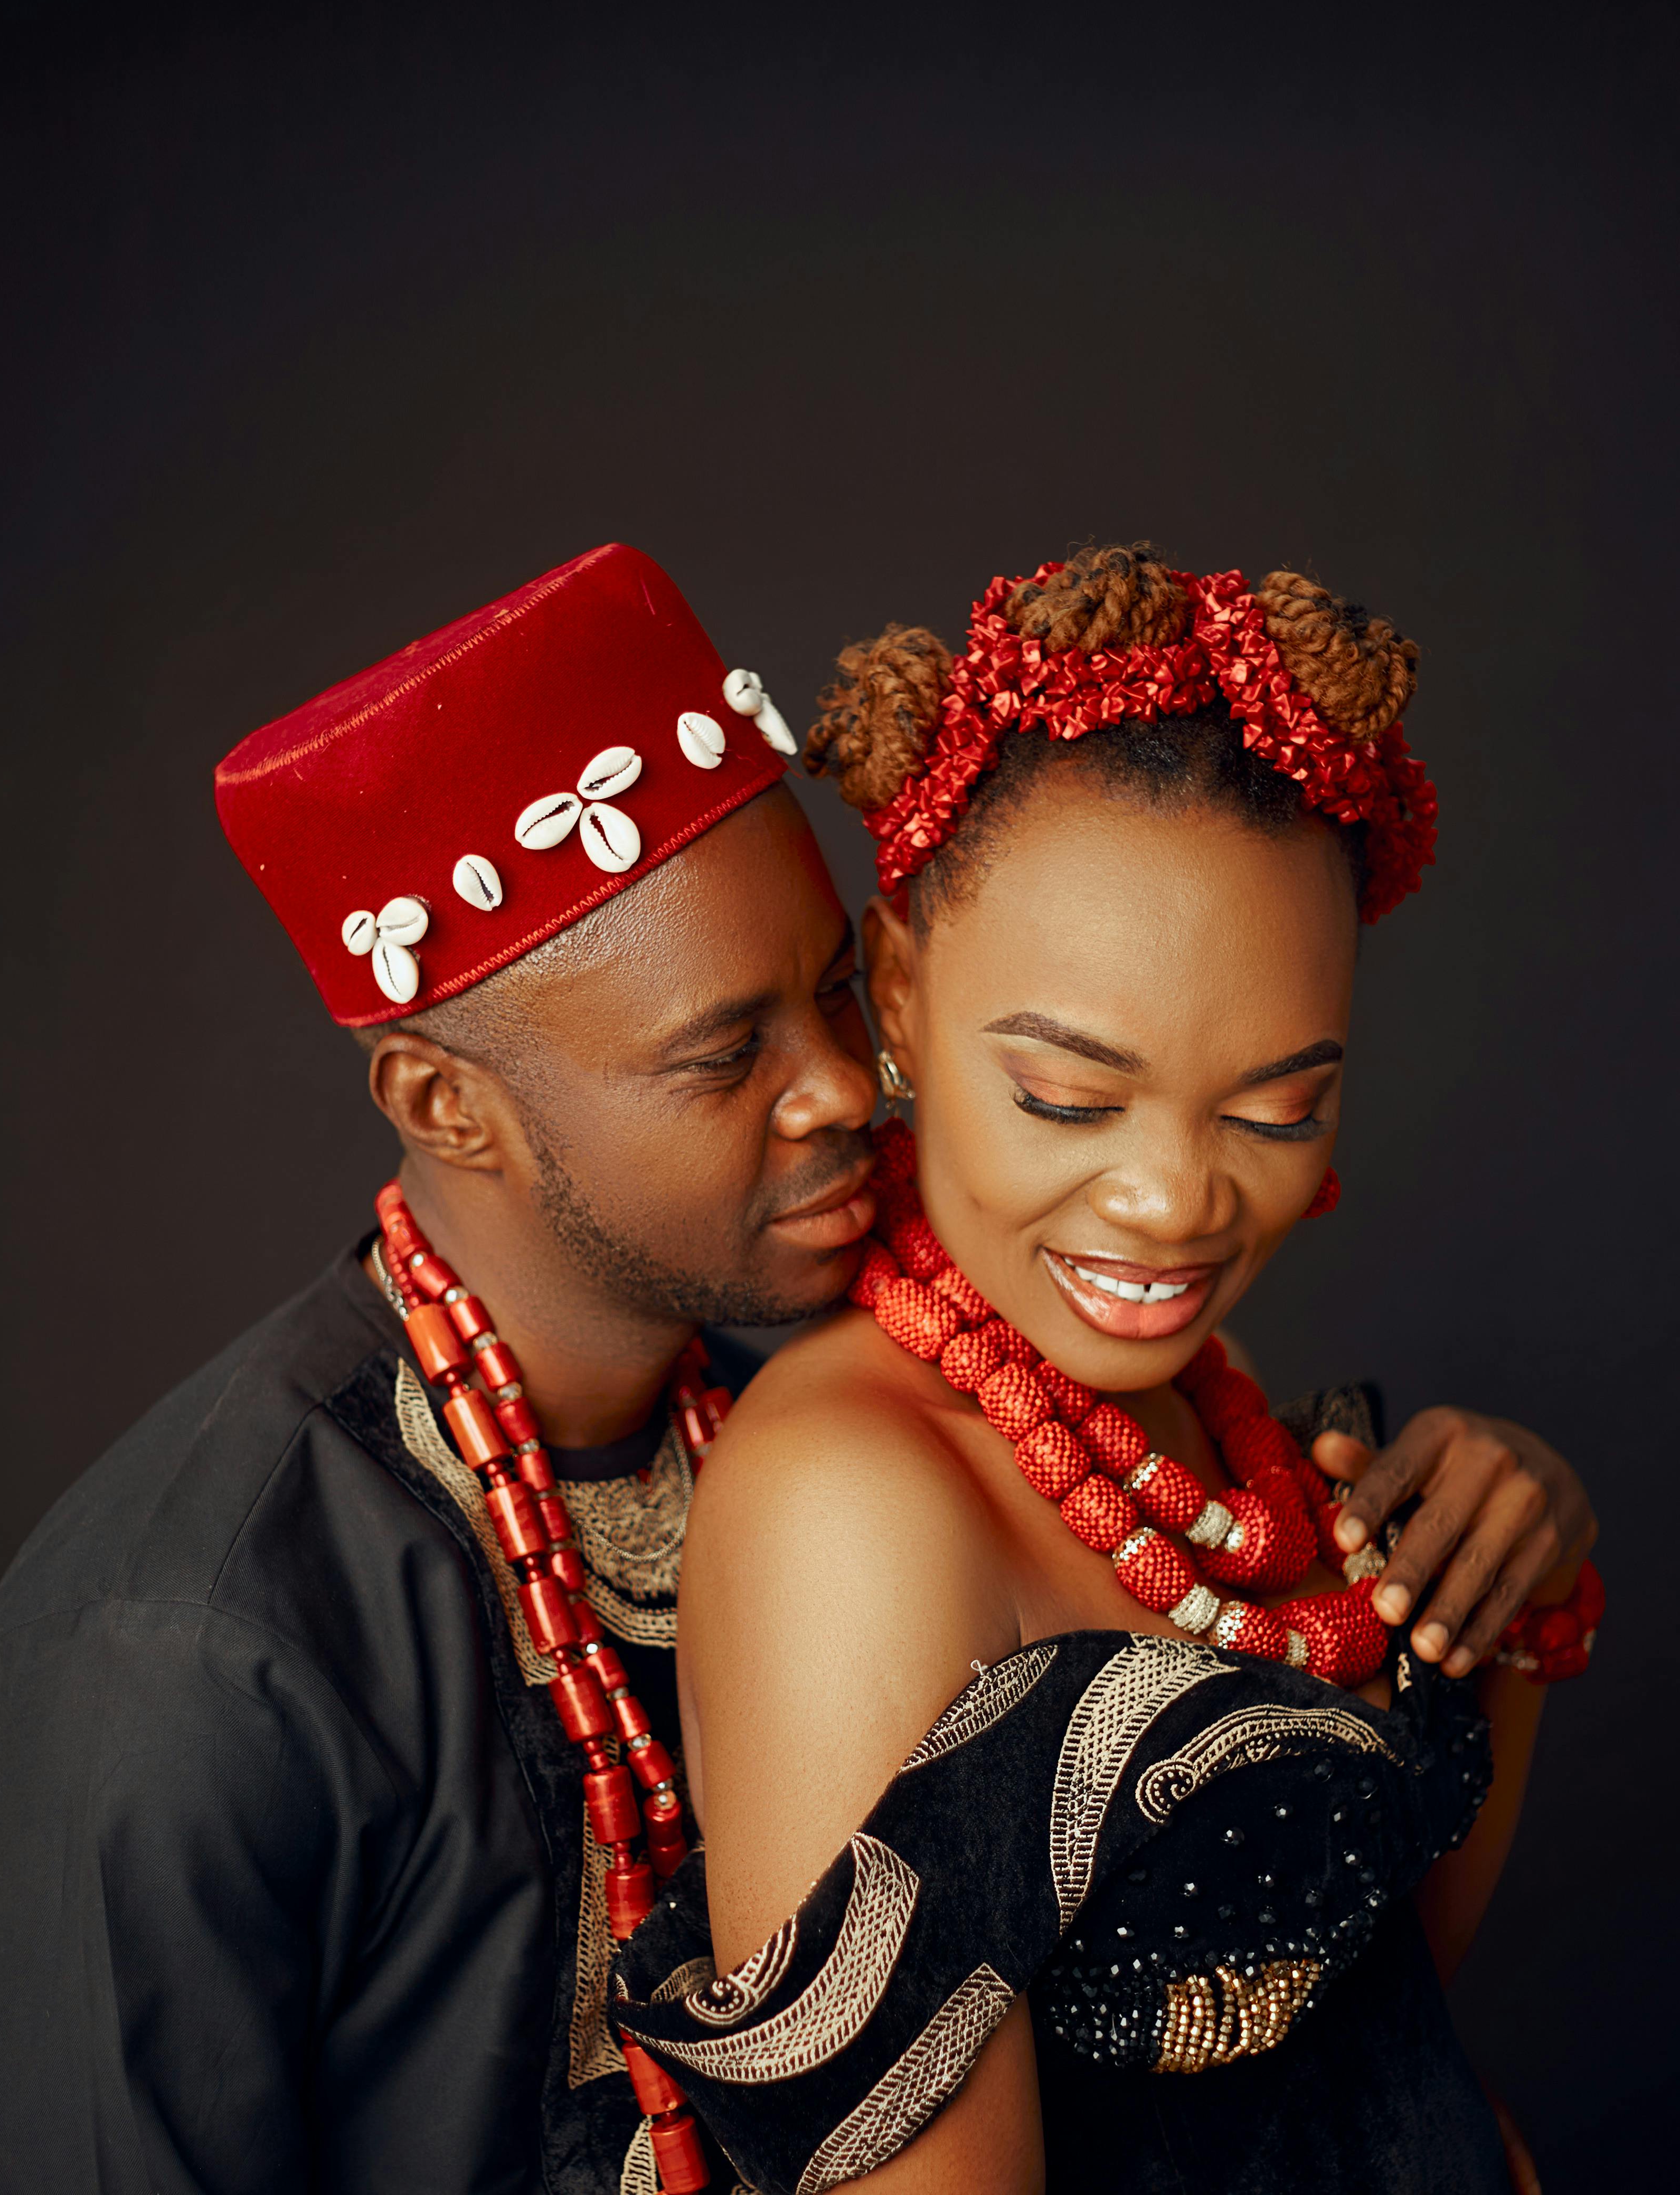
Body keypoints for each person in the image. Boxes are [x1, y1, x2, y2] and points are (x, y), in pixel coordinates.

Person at [0, 540, 1587, 2195]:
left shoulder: (872, 1375)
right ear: (449, 1109)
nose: (845, 1087)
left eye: (836, 992)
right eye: (728, 1052)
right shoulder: (177, 1652)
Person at [618, 545, 1600, 2195]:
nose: (1175, 1202)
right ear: (906, 999)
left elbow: (1363, 1995)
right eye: (1072, 1098)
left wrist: (1509, 1583)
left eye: (1277, 1107)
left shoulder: (1190, 1410)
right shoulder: (848, 1505)